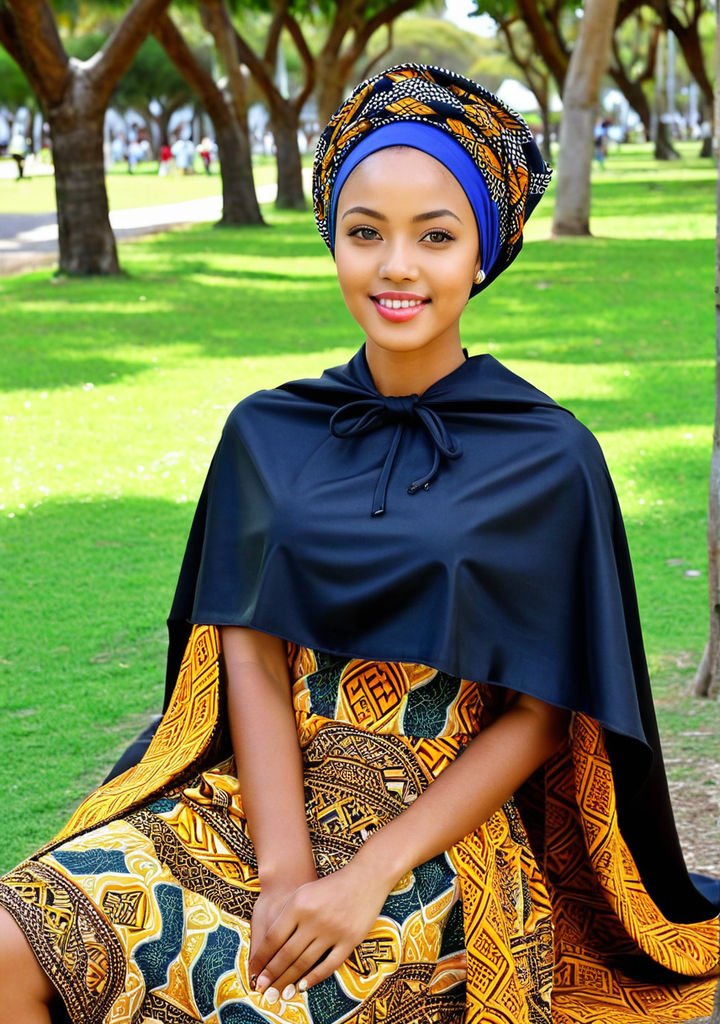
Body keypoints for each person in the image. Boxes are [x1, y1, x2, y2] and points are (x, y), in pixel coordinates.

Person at [0, 63, 717, 1024]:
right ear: (332, 239)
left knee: (287, 1005)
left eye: (435, 236)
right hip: (257, 803)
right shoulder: (268, 432)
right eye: (364, 232)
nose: (397, 268)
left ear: (482, 255)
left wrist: (362, 877)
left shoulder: (551, 458)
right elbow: (246, 649)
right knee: (12, 939)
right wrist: (288, 870)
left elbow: (544, 716)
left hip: (435, 836)